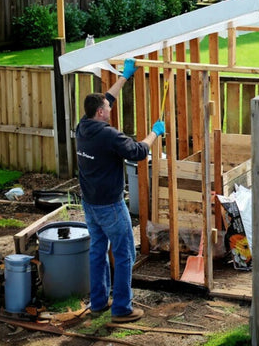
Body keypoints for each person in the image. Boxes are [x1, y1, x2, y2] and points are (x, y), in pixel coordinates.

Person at [76, 58, 165, 323]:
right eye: (107, 108)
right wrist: (154, 133)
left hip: (90, 203)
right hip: (110, 206)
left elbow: (106, 98)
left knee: (98, 250)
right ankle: (122, 309)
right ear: (101, 113)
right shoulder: (108, 135)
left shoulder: (84, 126)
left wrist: (125, 77)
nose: (110, 108)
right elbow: (138, 152)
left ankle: (99, 303)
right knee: (126, 253)